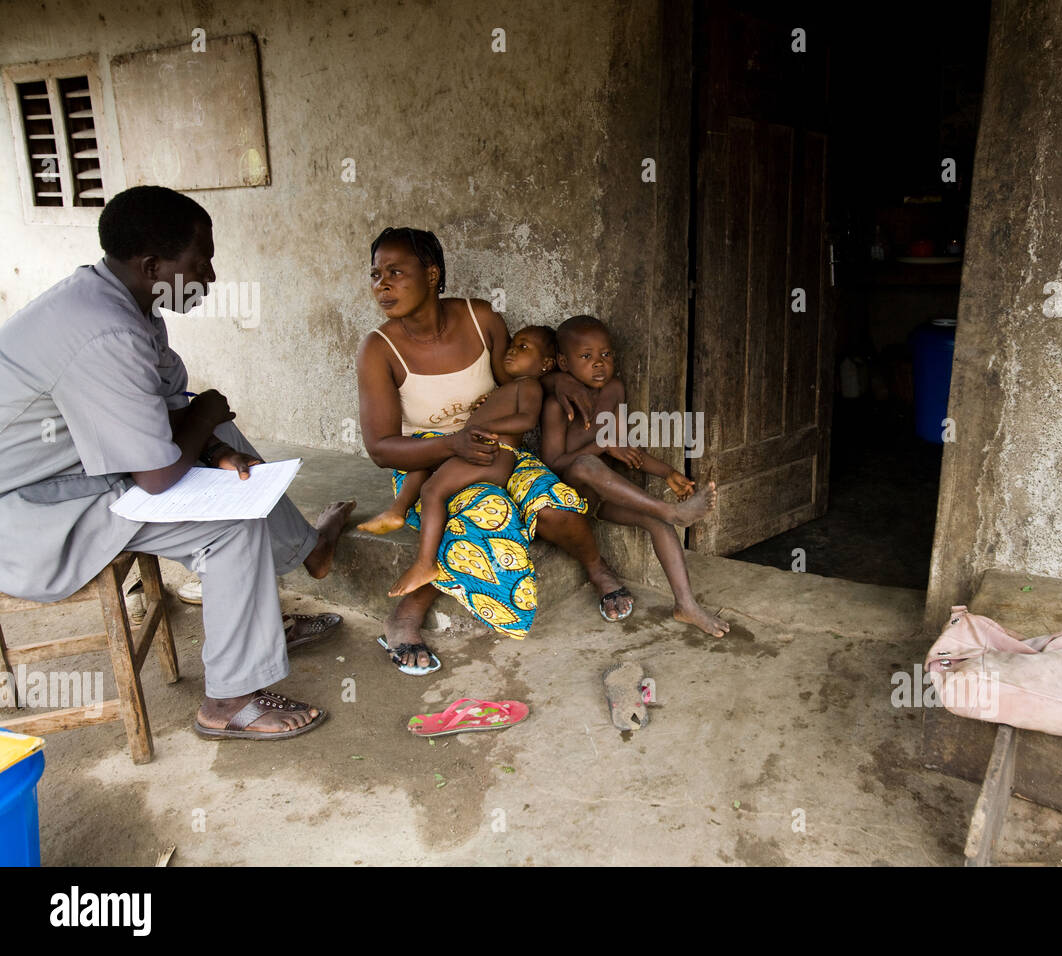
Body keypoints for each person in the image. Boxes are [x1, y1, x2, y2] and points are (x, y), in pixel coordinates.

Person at [0, 185, 353, 740]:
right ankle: (228, 702)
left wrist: (212, 440)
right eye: (201, 261)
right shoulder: (107, 331)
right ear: (152, 264)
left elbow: (164, 406)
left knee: (222, 444)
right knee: (230, 529)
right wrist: (206, 411)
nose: (210, 276)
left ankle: (301, 564)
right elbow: (159, 474)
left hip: (73, 476)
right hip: (31, 512)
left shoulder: (122, 301)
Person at [356, 227, 633, 671]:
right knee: (484, 511)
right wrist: (450, 442)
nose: (382, 285)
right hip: (423, 460)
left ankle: (597, 567)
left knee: (556, 506)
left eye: (395, 272)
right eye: (375, 275)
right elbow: (381, 448)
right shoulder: (378, 349)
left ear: (432, 275)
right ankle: (406, 614)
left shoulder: (480, 317)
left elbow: (517, 380)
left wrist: (557, 378)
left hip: (496, 444)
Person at [541, 315, 730, 637]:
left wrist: (667, 472)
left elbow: (624, 449)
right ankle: (670, 509)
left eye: (606, 355)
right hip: (565, 499)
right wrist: (601, 445)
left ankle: (686, 605)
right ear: (563, 362)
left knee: (657, 522)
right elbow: (553, 465)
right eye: (586, 357)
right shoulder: (557, 406)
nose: (599, 364)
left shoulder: (614, 390)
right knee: (586, 462)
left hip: (599, 499)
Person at [387, 325, 557, 599]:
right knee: (430, 477)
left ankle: (424, 564)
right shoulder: (509, 388)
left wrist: (486, 425)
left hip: (493, 452)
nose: (513, 349)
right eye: (513, 343)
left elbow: (527, 419)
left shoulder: (529, 385)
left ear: (546, 364)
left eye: (524, 347)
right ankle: (402, 514)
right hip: (486, 452)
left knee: (432, 490)